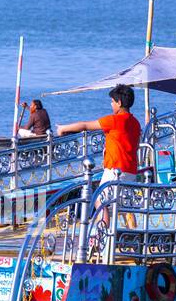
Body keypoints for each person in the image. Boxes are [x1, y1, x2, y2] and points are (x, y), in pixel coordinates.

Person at [56, 83, 142, 231]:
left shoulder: (114, 120)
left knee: (100, 201)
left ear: (119, 103)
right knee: (125, 204)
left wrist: (63, 128)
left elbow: (85, 125)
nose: (111, 104)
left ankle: (101, 235)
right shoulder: (135, 123)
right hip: (131, 170)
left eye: (113, 102)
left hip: (115, 169)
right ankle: (133, 235)